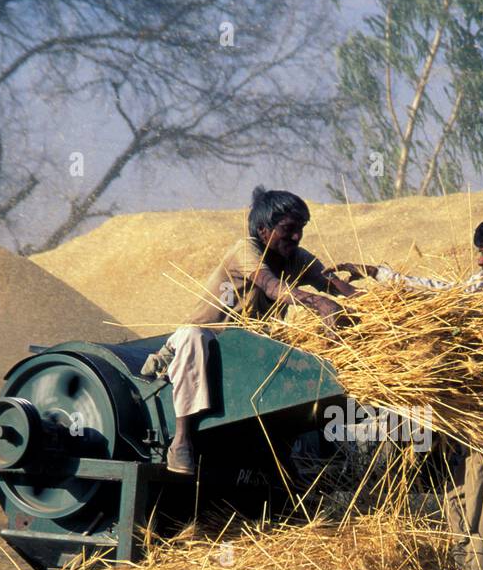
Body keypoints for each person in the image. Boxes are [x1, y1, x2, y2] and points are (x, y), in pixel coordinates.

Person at [333, 207, 483, 570]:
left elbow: (441, 293)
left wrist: (381, 276)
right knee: (459, 506)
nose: (478, 261)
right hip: (470, 422)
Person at [143, 187, 358, 474]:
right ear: (263, 230)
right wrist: (318, 301)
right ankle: (181, 441)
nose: (296, 237)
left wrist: (378, 300)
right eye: (288, 229)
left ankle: (285, 452)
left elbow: (337, 287)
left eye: (301, 230)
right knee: (193, 336)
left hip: (250, 350)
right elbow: (271, 286)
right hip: (210, 343)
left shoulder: (297, 257)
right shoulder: (246, 251)